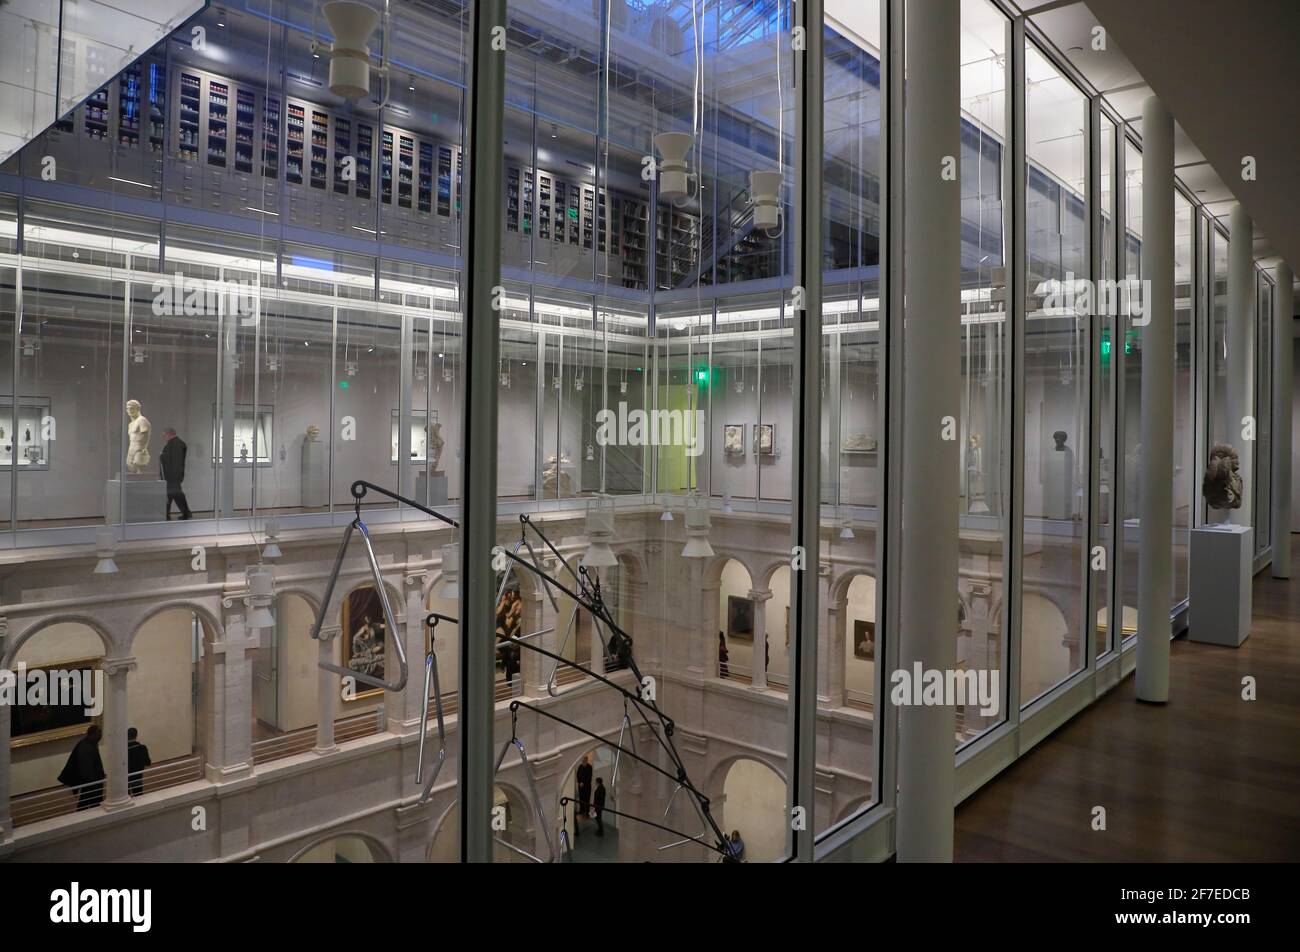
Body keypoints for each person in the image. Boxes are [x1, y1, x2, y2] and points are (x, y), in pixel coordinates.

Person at [58, 724, 106, 811]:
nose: (101, 736)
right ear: (94, 734)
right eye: (100, 733)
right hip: (91, 784)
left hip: (92, 783)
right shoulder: (86, 747)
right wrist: (95, 780)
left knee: (86, 803)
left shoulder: (88, 744)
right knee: (89, 804)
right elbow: (86, 770)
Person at [159, 427, 192, 520]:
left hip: (172, 476)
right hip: (172, 476)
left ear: (169, 434)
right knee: (176, 495)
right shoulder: (174, 444)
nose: (164, 437)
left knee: (171, 495)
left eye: (164, 435)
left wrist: (162, 456)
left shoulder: (176, 445)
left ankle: (167, 515)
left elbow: (175, 462)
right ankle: (185, 513)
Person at [127, 727, 152, 797]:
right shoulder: (142, 748)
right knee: (138, 795)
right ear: (136, 735)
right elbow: (148, 763)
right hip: (137, 775)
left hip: (125, 776)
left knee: (125, 796)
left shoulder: (122, 750)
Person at [575, 754, 593, 830]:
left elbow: (589, 776)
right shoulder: (580, 766)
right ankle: (582, 810)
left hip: (587, 786)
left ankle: (587, 812)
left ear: (586, 760)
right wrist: (579, 782)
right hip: (581, 786)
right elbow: (578, 774)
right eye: (583, 761)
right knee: (581, 798)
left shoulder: (589, 767)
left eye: (584, 760)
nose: (583, 762)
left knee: (587, 799)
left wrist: (583, 783)